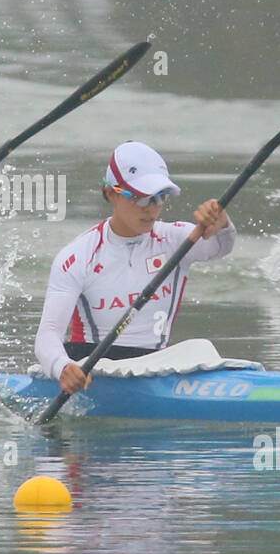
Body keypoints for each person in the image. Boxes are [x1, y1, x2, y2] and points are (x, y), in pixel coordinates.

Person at [34, 141, 234, 393]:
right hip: (93, 373)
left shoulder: (177, 241)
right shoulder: (78, 256)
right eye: (140, 198)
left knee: (201, 346)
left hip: (156, 368)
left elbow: (221, 247)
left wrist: (223, 223)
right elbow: (48, 334)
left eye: (160, 197)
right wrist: (62, 367)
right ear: (111, 193)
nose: (152, 208)